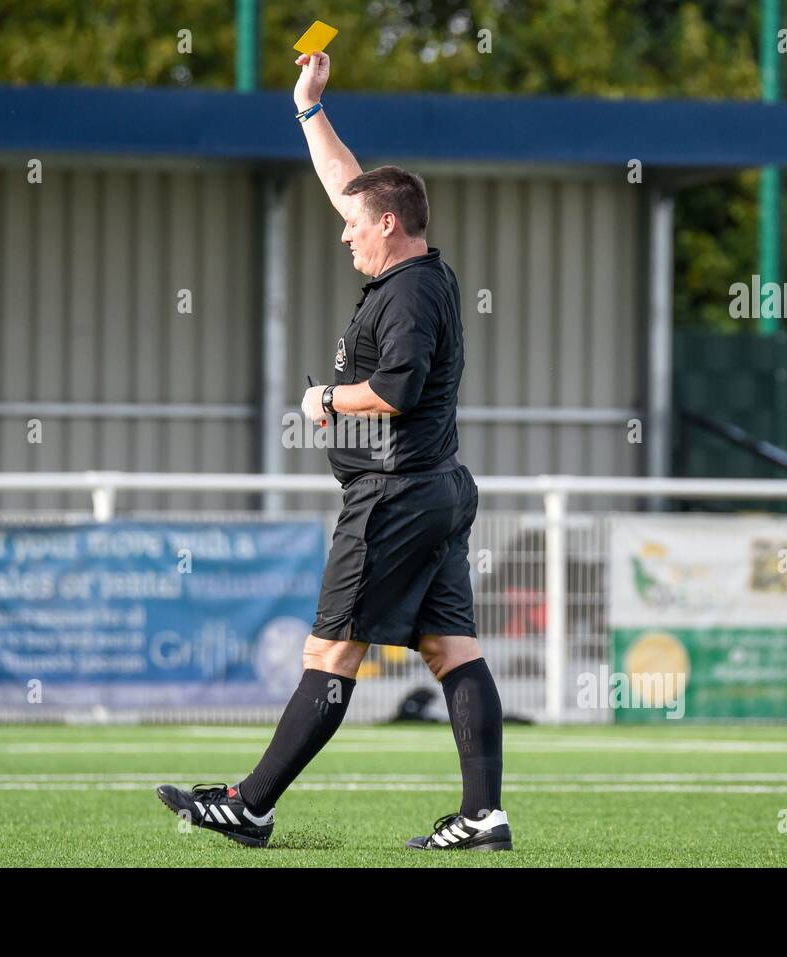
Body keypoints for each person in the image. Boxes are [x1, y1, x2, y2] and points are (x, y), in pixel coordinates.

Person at [156, 52, 509, 852]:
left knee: (331, 649)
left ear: (390, 225)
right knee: (452, 647)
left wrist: (323, 400)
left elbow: (394, 391)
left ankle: (251, 804)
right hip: (436, 487)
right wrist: (309, 110)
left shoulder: (412, 293)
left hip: (396, 494)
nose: (345, 235)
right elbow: (350, 184)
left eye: (355, 226)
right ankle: (483, 814)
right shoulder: (414, 268)